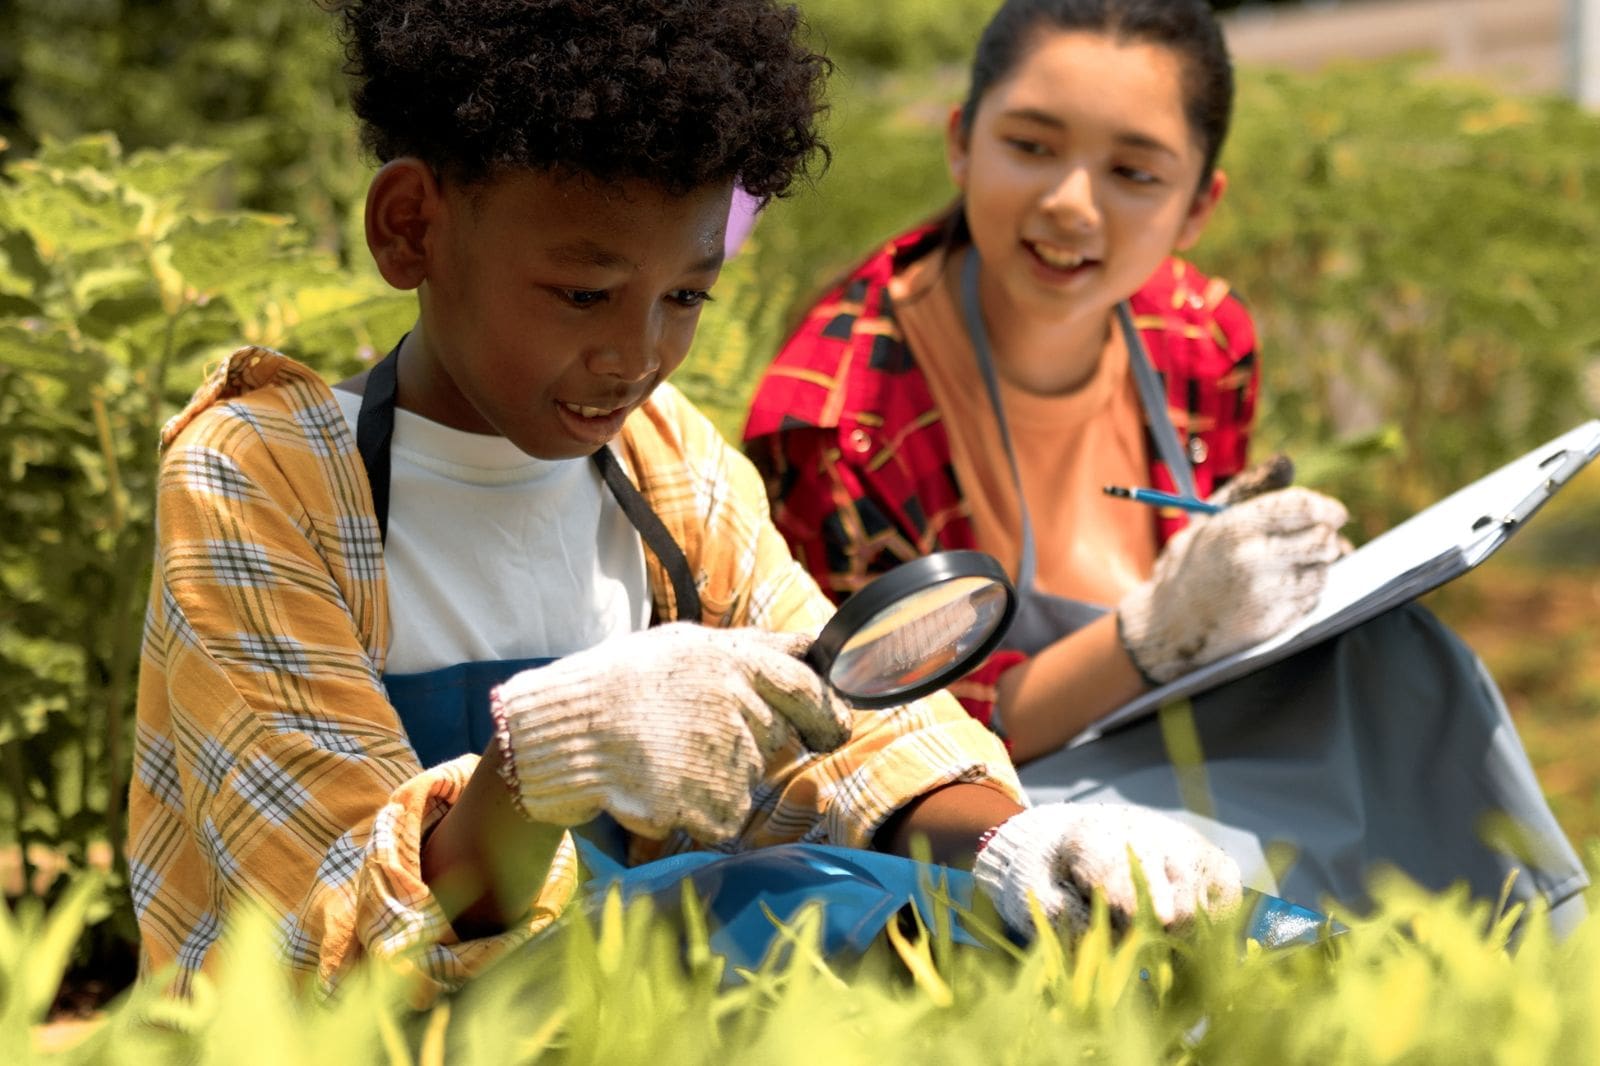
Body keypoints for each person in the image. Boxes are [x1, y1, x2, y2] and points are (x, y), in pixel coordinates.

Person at [126, 0, 1245, 1002]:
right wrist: (550, 760)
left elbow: (846, 727)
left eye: (686, 295)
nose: (636, 354)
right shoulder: (263, 475)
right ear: (413, 226)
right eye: (584, 292)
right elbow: (334, 933)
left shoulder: (667, 464)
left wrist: (1023, 849)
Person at [743, 0, 1586, 920]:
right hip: (1000, 808)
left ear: (1197, 206)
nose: (1071, 202)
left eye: (1134, 172)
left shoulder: (1200, 336)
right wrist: (1156, 631)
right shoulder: (838, 417)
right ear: (960, 143)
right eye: (1029, 146)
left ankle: (1524, 935)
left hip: (1174, 729)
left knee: (1398, 653)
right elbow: (883, 744)